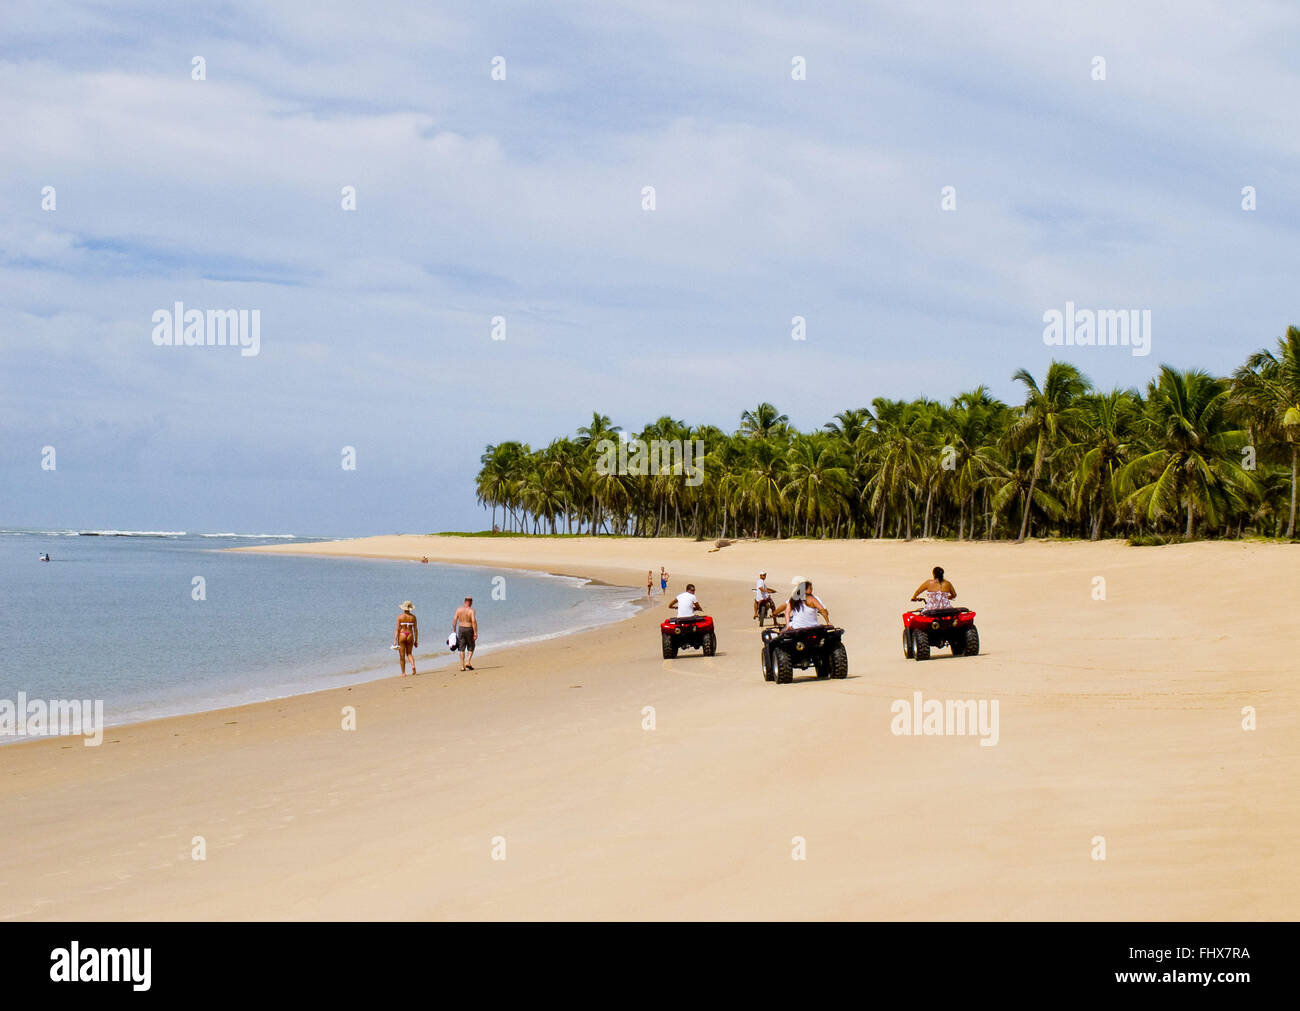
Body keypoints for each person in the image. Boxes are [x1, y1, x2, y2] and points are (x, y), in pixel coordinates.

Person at [393, 601, 419, 676]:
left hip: (402, 634)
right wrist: (416, 640)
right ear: (410, 608)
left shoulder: (400, 617)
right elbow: (415, 629)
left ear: (403, 608)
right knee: (409, 653)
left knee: (402, 655)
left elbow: (397, 629)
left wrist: (394, 641)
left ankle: (403, 673)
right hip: (410, 634)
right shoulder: (413, 617)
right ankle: (413, 665)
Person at [453, 596, 478, 670]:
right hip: (469, 629)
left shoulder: (458, 609)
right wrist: (475, 632)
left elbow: (454, 620)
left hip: (461, 628)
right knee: (471, 646)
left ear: (465, 601)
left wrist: (454, 630)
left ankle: (462, 666)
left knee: (461, 647)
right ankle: (468, 661)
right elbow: (473, 621)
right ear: (470, 602)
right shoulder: (471, 610)